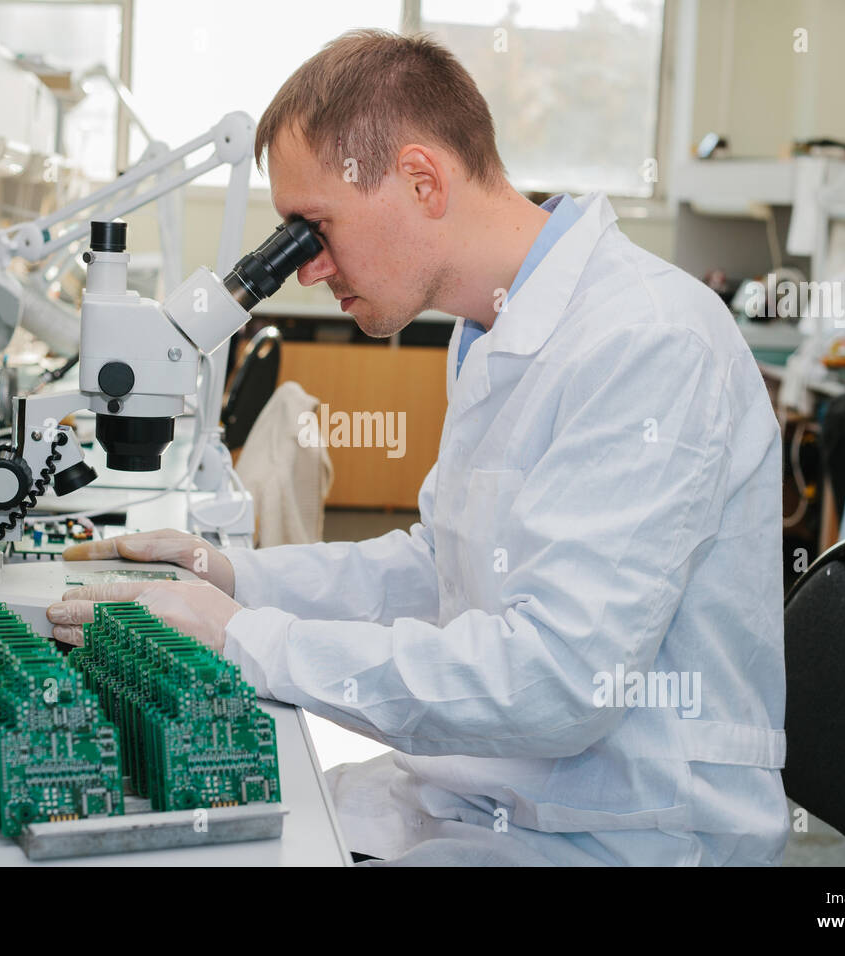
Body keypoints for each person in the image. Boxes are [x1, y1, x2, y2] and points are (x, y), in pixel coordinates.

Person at [47, 29, 789, 866]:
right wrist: (229, 576)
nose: (309, 272)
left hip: (621, 828)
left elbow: (559, 679)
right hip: (487, 791)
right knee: (193, 836)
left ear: (423, 179)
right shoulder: (490, 332)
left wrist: (251, 639)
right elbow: (439, 567)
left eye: (313, 230)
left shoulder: (646, 341)